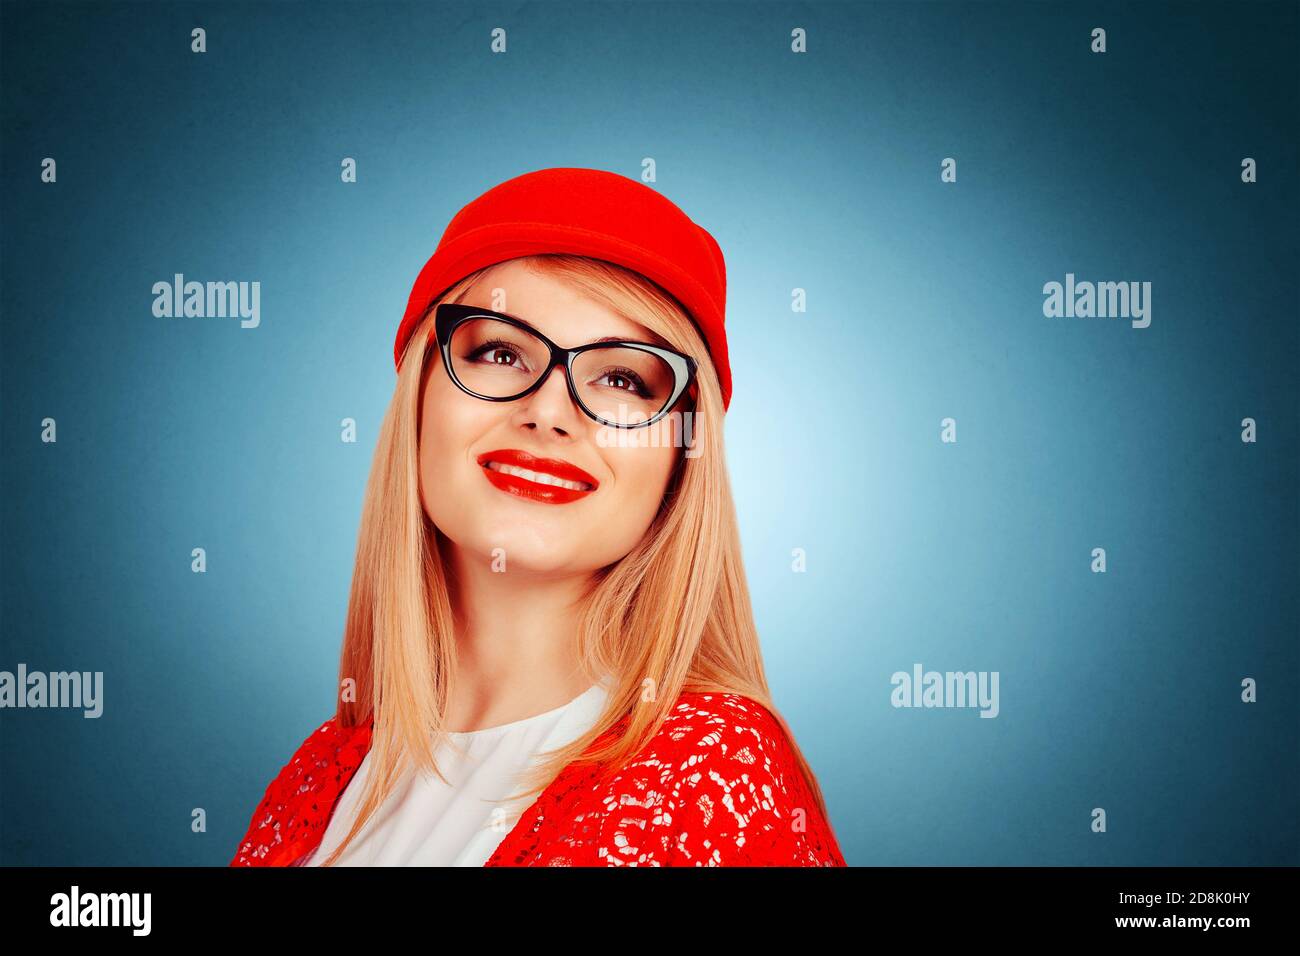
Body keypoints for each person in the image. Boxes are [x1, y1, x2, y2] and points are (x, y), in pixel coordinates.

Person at [230, 167, 846, 867]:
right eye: (500, 352)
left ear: (682, 455)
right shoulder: (318, 774)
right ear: (421, 397)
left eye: (621, 378)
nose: (549, 413)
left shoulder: (717, 772)